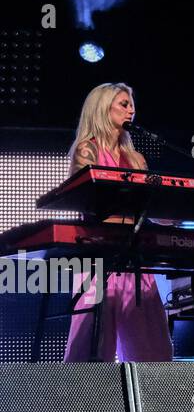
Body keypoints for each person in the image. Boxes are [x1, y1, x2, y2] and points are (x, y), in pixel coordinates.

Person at [63, 83, 174, 363]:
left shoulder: (137, 159)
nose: (131, 109)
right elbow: (86, 198)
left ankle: (148, 403)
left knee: (153, 349)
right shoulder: (86, 150)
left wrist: (179, 209)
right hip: (97, 257)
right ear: (103, 107)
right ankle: (79, 404)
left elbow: (151, 207)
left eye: (132, 104)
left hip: (134, 256)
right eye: (123, 103)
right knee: (91, 348)